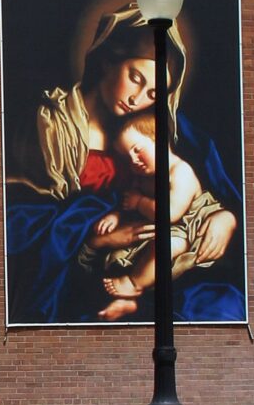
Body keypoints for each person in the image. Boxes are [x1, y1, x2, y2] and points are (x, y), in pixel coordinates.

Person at [4, 2, 244, 324]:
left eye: (153, 94)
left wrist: (225, 218)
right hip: (70, 273)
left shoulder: (160, 131)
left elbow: (210, 190)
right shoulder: (50, 125)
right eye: (135, 78)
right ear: (107, 60)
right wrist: (96, 239)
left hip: (153, 258)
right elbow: (19, 217)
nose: (137, 99)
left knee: (221, 307)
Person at [91, 117, 228, 317]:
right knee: (122, 255)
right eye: (127, 158)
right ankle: (129, 302)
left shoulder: (180, 172)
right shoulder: (143, 177)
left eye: (137, 150)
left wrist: (139, 203)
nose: (134, 160)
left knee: (167, 246)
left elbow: (170, 213)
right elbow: (127, 201)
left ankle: (133, 284)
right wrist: (116, 216)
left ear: (159, 140)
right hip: (157, 227)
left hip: (189, 229)